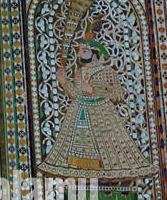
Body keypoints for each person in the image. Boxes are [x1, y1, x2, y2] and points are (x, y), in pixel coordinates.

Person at [38, 29, 153, 179]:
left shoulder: (108, 72)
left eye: (84, 51)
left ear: (94, 53)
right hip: (80, 110)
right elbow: (76, 95)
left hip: (102, 113)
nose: (79, 55)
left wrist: (93, 90)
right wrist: (64, 82)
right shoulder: (80, 72)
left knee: (106, 148)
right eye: (80, 52)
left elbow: (118, 95)